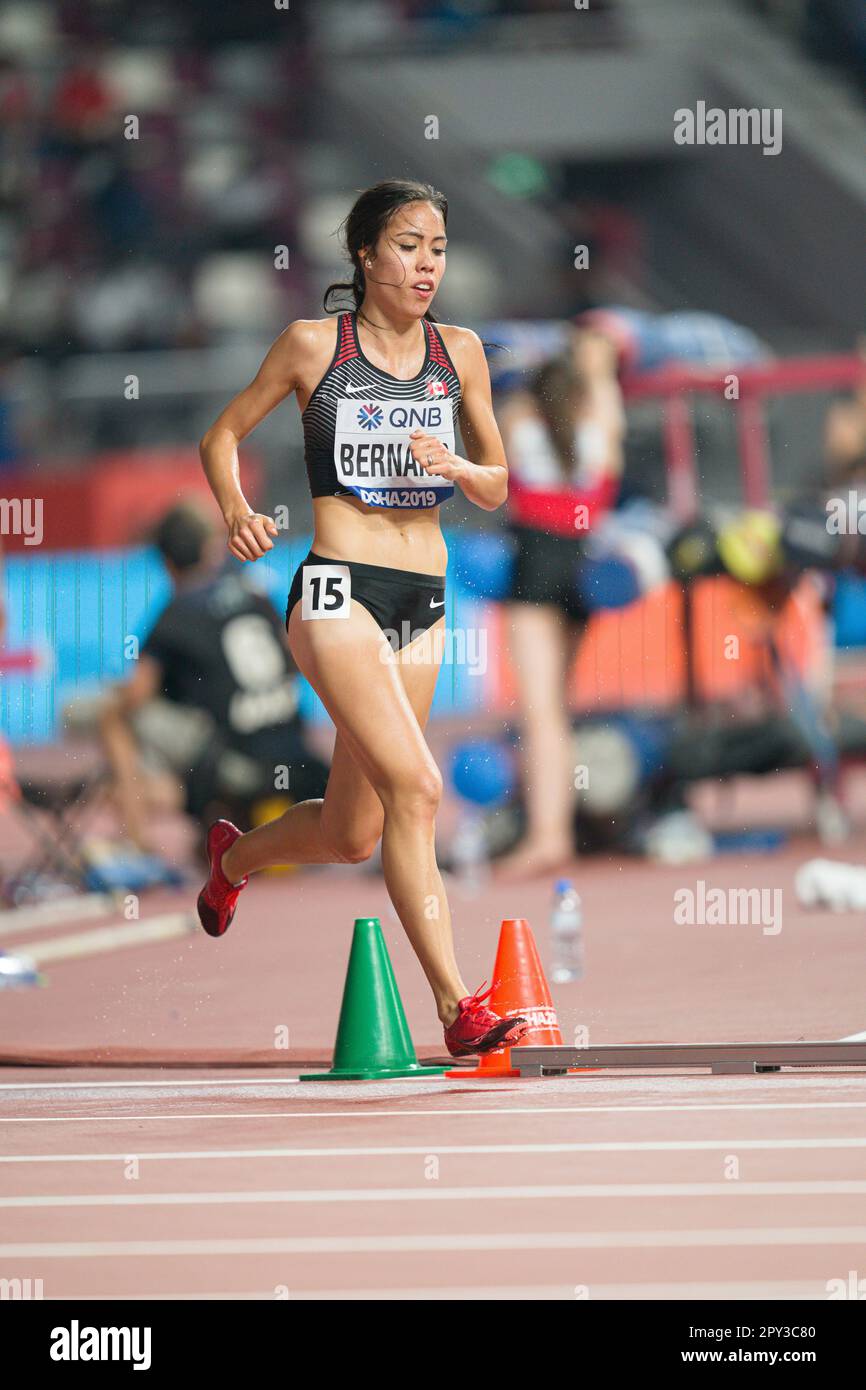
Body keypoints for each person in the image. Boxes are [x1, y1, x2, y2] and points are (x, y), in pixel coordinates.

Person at [195, 178, 525, 1059]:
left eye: (439, 249)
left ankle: (232, 861)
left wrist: (452, 460)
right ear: (366, 255)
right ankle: (460, 1008)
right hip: (336, 587)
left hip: (422, 601)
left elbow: (499, 483)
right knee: (418, 788)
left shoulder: (461, 353)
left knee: (353, 832)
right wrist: (234, 509)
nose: (427, 265)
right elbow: (220, 436)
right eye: (410, 245)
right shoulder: (313, 347)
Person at [98, 502, 327, 851]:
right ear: (210, 549)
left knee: (113, 718)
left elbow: (136, 694)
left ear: (168, 562)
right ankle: (199, 807)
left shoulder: (175, 613)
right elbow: (295, 658)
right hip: (296, 750)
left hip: (235, 763)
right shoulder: (255, 591)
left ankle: (137, 840)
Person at [495, 326, 625, 878]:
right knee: (556, 710)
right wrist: (597, 372)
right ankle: (554, 826)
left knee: (541, 713)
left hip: (536, 564)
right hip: (583, 566)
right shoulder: (596, 425)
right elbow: (610, 437)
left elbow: (494, 471)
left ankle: (549, 835)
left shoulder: (519, 420)